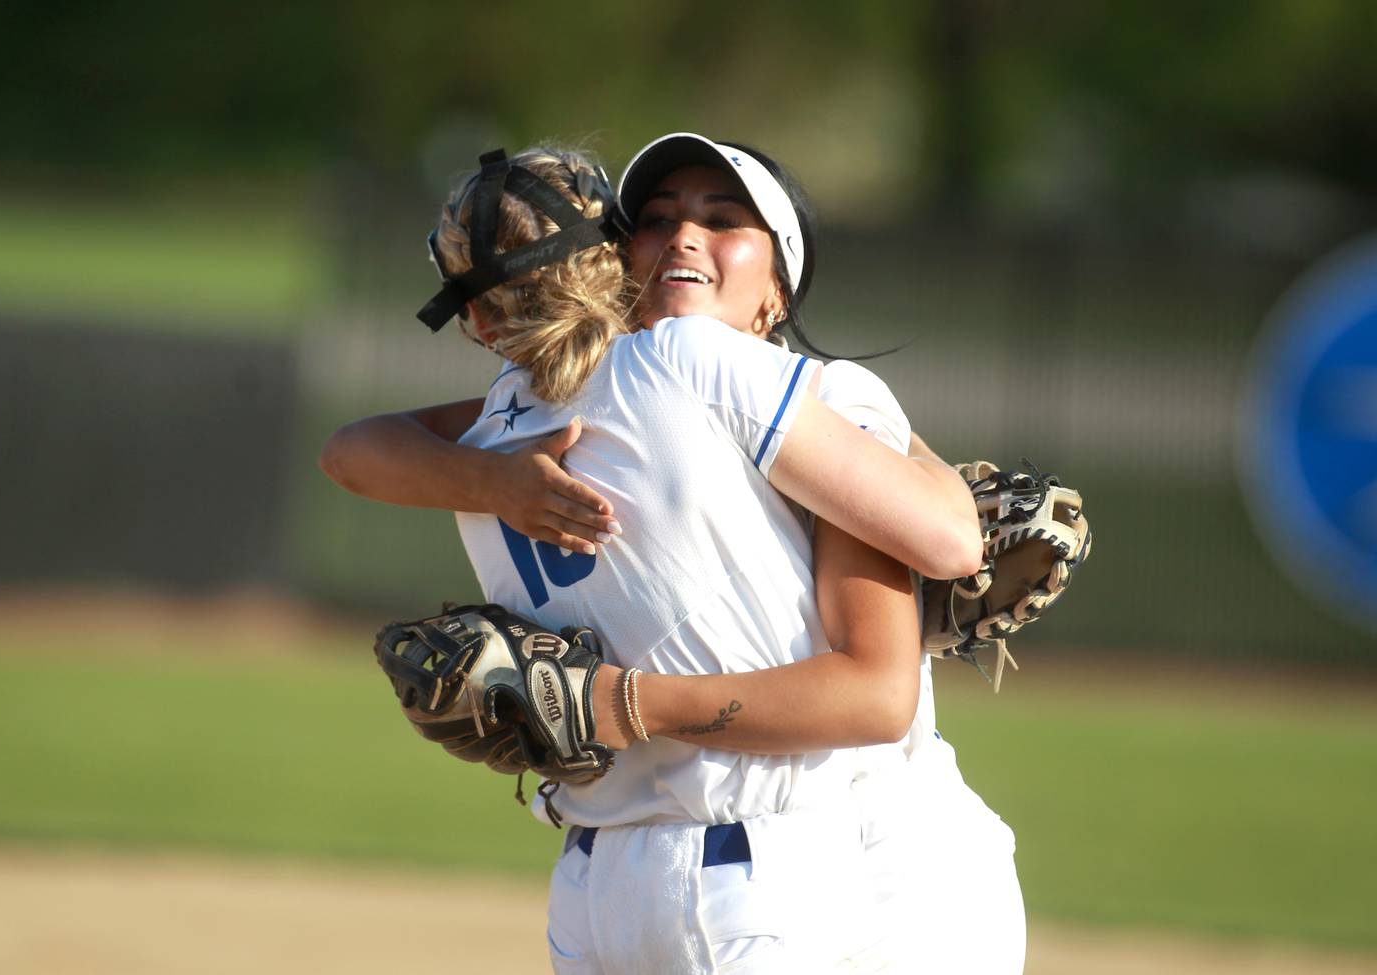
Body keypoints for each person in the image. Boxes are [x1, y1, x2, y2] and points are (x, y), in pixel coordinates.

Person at [322, 142, 984, 972]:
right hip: (752, 877)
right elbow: (951, 548)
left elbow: (352, 449)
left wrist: (492, 481)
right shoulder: (687, 361)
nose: (681, 239)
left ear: (475, 319)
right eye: (659, 220)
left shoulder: (496, 424)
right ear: (613, 260)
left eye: (720, 219)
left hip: (598, 889)